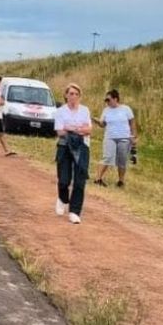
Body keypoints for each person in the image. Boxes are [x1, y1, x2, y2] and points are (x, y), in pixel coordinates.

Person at [54, 83, 92, 224]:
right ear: (66, 95)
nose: (73, 97)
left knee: (80, 180)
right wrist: (76, 129)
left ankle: (75, 211)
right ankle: (62, 198)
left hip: (82, 146)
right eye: (71, 93)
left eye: (76, 94)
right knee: (64, 179)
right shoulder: (60, 111)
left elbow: (88, 129)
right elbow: (60, 131)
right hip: (65, 146)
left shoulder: (85, 110)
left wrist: (72, 128)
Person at [93, 89, 136, 188]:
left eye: (109, 100)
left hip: (124, 137)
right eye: (106, 100)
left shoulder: (126, 109)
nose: (107, 102)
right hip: (110, 137)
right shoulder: (106, 110)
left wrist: (134, 136)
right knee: (107, 157)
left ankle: (121, 181)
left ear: (115, 99)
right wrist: (98, 122)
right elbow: (103, 124)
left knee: (122, 160)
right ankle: (98, 179)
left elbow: (132, 123)